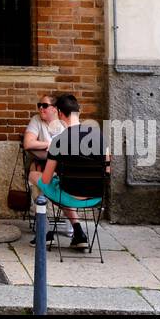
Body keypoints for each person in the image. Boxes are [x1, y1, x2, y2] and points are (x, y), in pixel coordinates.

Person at [34, 93, 106, 250]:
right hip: (95, 197)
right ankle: (78, 232)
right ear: (78, 111)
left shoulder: (58, 141)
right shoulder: (100, 136)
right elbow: (107, 169)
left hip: (69, 195)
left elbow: (45, 180)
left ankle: (43, 231)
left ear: (59, 113)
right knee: (64, 186)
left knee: (36, 176)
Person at [23, 93, 71, 242]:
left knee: (59, 184)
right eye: (39, 105)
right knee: (36, 173)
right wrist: (50, 145)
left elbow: (71, 149)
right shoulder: (36, 120)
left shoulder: (65, 122)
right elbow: (28, 143)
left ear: (55, 109)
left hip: (64, 167)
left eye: (44, 105)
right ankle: (45, 228)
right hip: (43, 165)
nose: (40, 109)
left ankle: (72, 228)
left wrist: (49, 148)